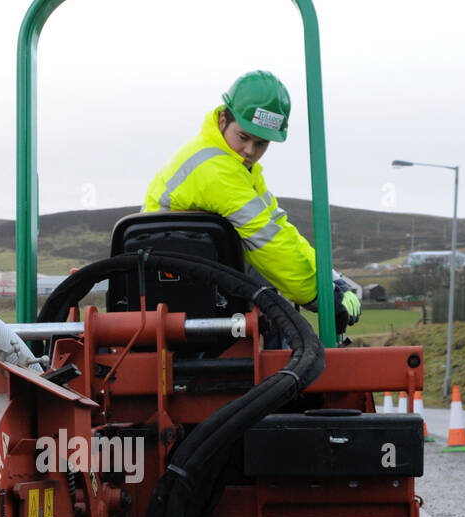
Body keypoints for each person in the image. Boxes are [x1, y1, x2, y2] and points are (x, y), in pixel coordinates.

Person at [144, 70, 361, 333]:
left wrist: (331, 279)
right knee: (280, 321)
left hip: (201, 276)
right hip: (174, 287)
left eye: (261, 143)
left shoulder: (240, 168)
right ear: (223, 119)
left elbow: (278, 228)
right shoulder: (215, 169)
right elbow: (267, 243)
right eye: (243, 137)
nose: (250, 151)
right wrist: (319, 297)